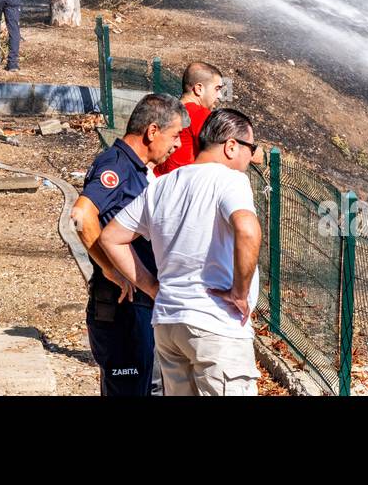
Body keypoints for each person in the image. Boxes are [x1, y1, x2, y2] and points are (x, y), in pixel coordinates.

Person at [100, 108, 264, 396]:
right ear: (231, 146)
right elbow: (248, 230)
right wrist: (239, 293)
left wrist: (152, 287)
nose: (251, 158)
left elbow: (112, 237)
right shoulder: (230, 180)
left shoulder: (162, 185)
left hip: (168, 324)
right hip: (215, 326)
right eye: (251, 148)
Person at [71, 93, 188, 396]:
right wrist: (110, 268)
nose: (177, 144)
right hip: (123, 306)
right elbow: (83, 215)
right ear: (152, 132)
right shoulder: (117, 166)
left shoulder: (134, 168)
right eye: (174, 136)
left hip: (137, 304)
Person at [156, 61, 225, 177]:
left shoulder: (166, 108)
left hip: (158, 182)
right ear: (199, 89)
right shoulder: (199, 113)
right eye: (217, 89)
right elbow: (224, 149)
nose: (220, 96)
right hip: (180, 186)